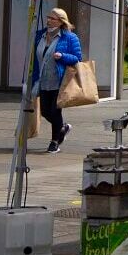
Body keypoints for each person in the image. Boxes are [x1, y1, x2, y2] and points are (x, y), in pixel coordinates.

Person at [31, 8, 82, 153]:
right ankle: (63, 128)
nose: (48, 20)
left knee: (55, 110)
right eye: (48, 17)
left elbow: (78, 58)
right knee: (45, 111)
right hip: (43, 79)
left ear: (61, 21)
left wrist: (63, 56)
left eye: (52, 18)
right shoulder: (40, 35)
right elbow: (34, 60)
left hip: (59, 80)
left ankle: (54, 142)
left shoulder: (69, 37)